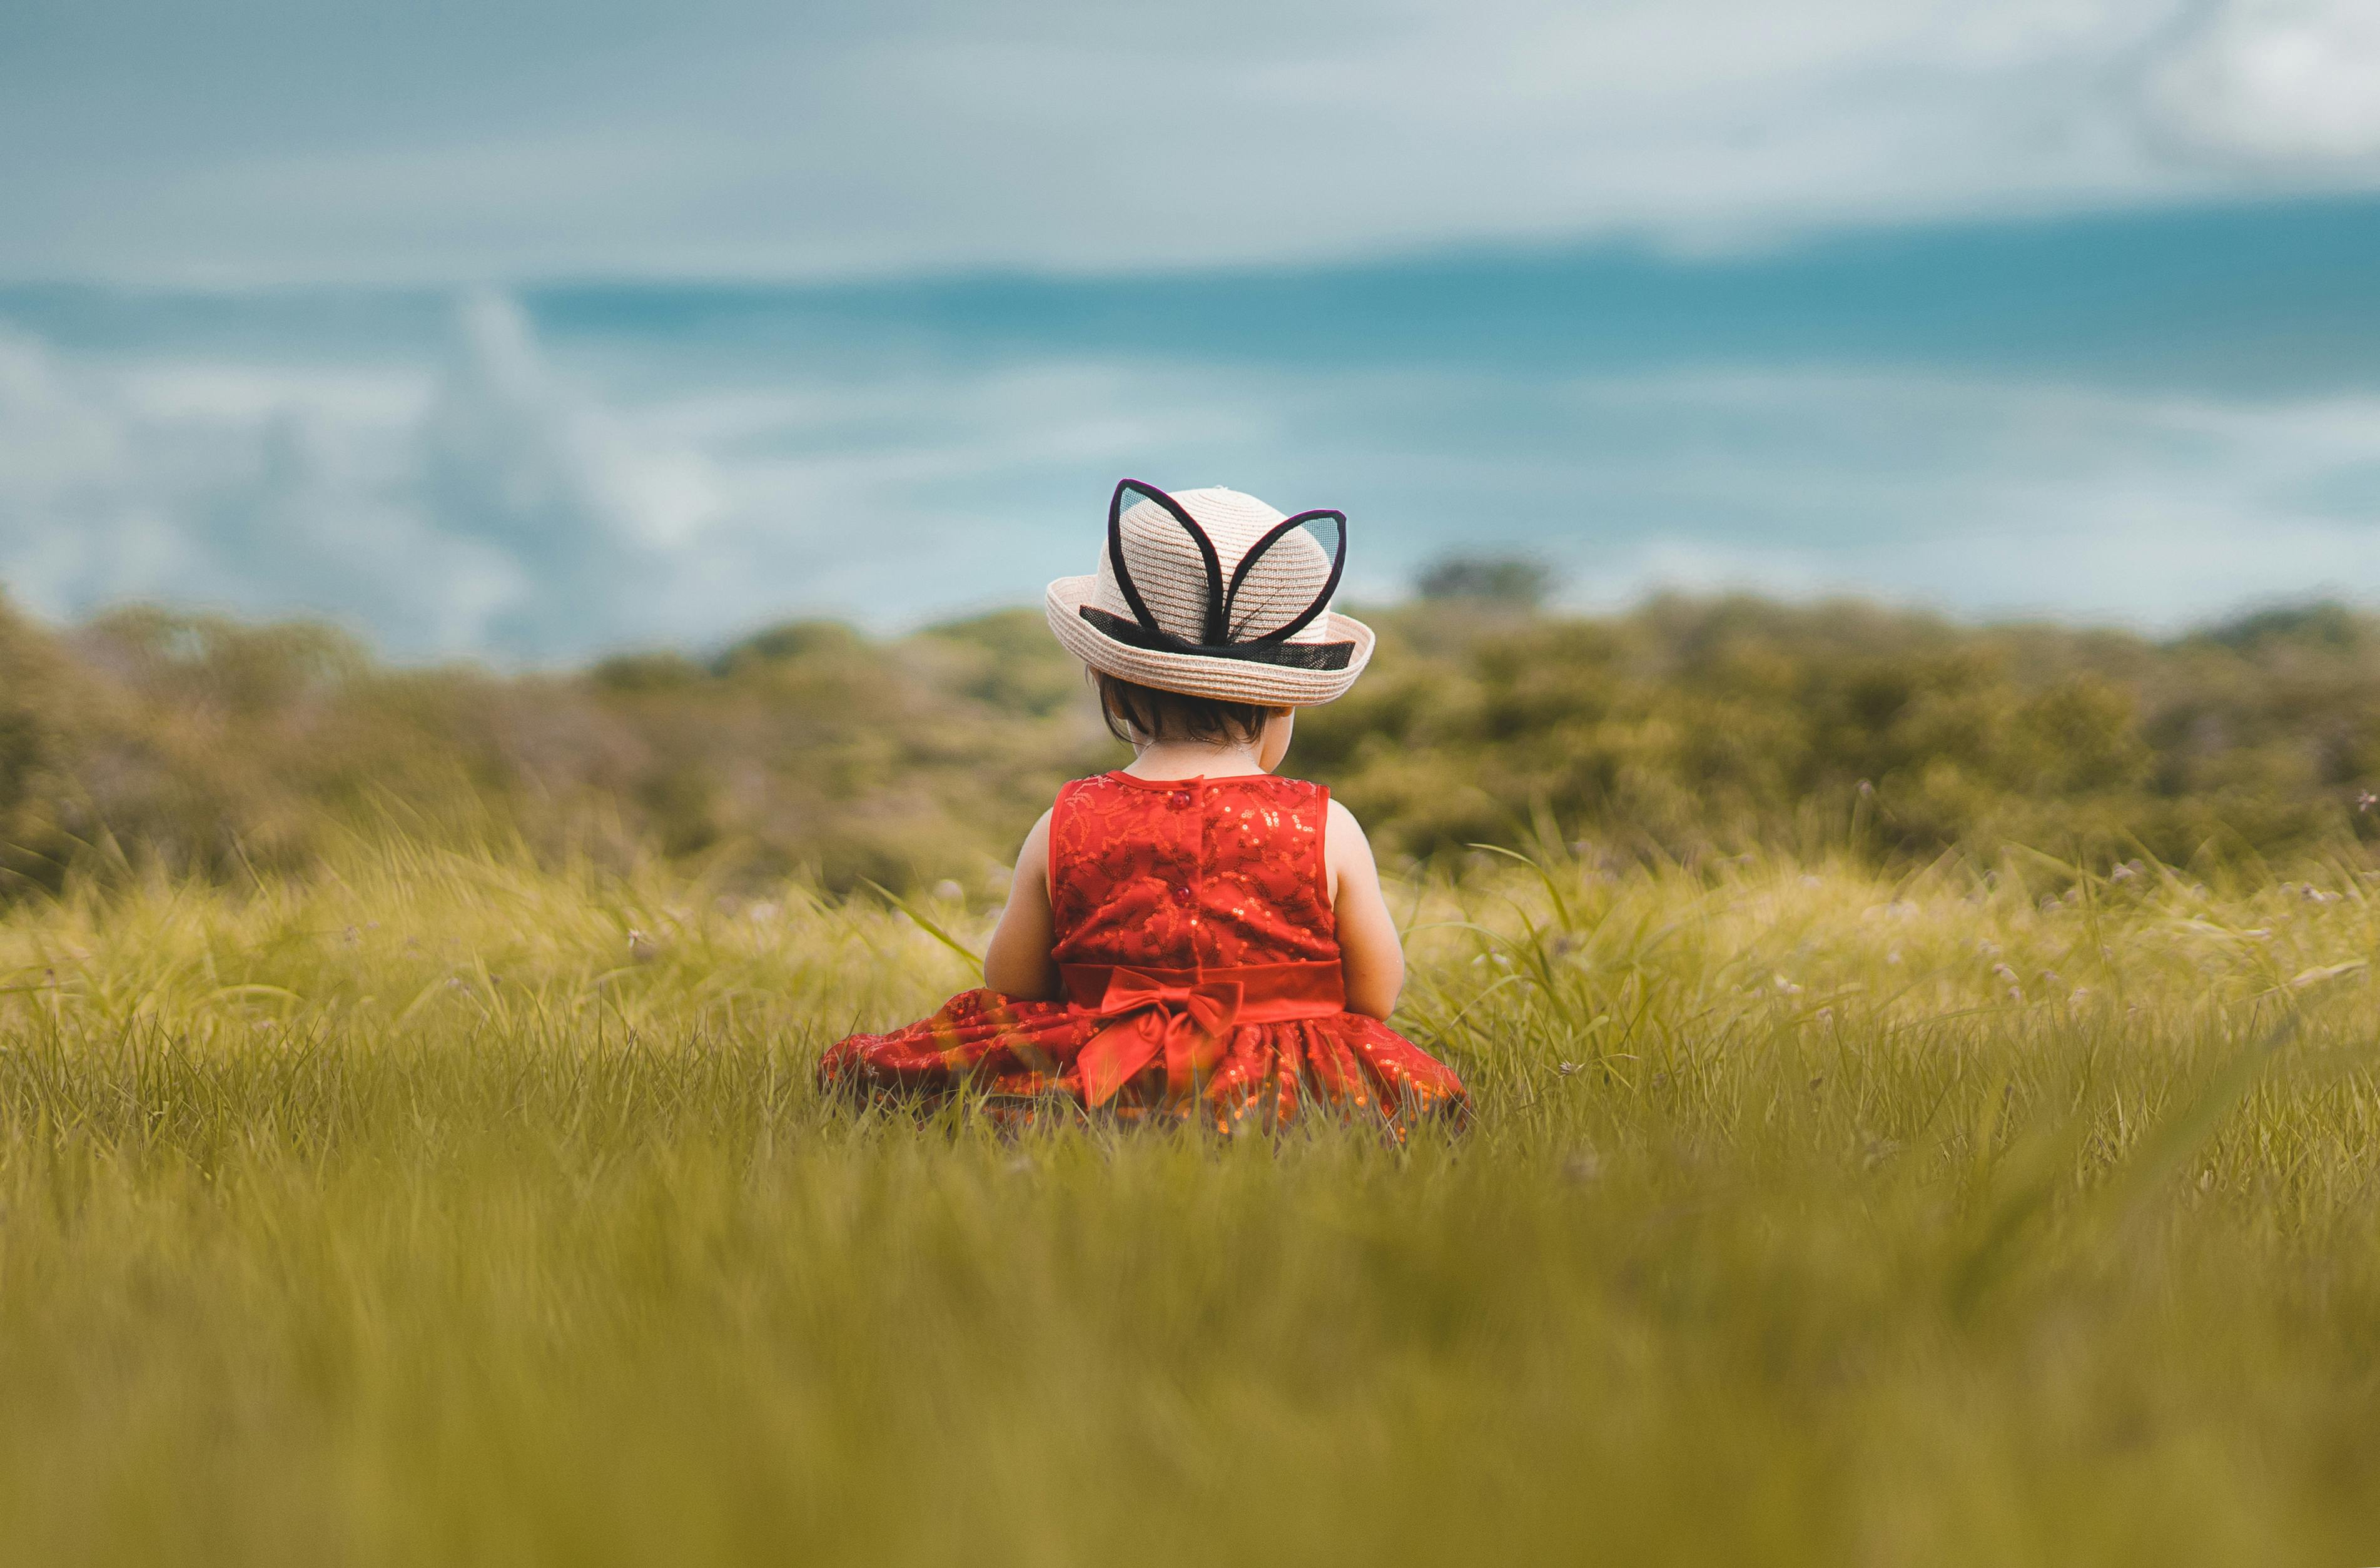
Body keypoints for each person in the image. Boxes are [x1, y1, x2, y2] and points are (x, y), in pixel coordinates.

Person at [818, 479, 1469, 1133]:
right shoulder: (1326, 826)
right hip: (1288, 1098)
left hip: (1102, 1088)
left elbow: (1012, 981)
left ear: (1112, 687)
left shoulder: (1065, 821)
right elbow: (1375, 994)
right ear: (1283, 701)